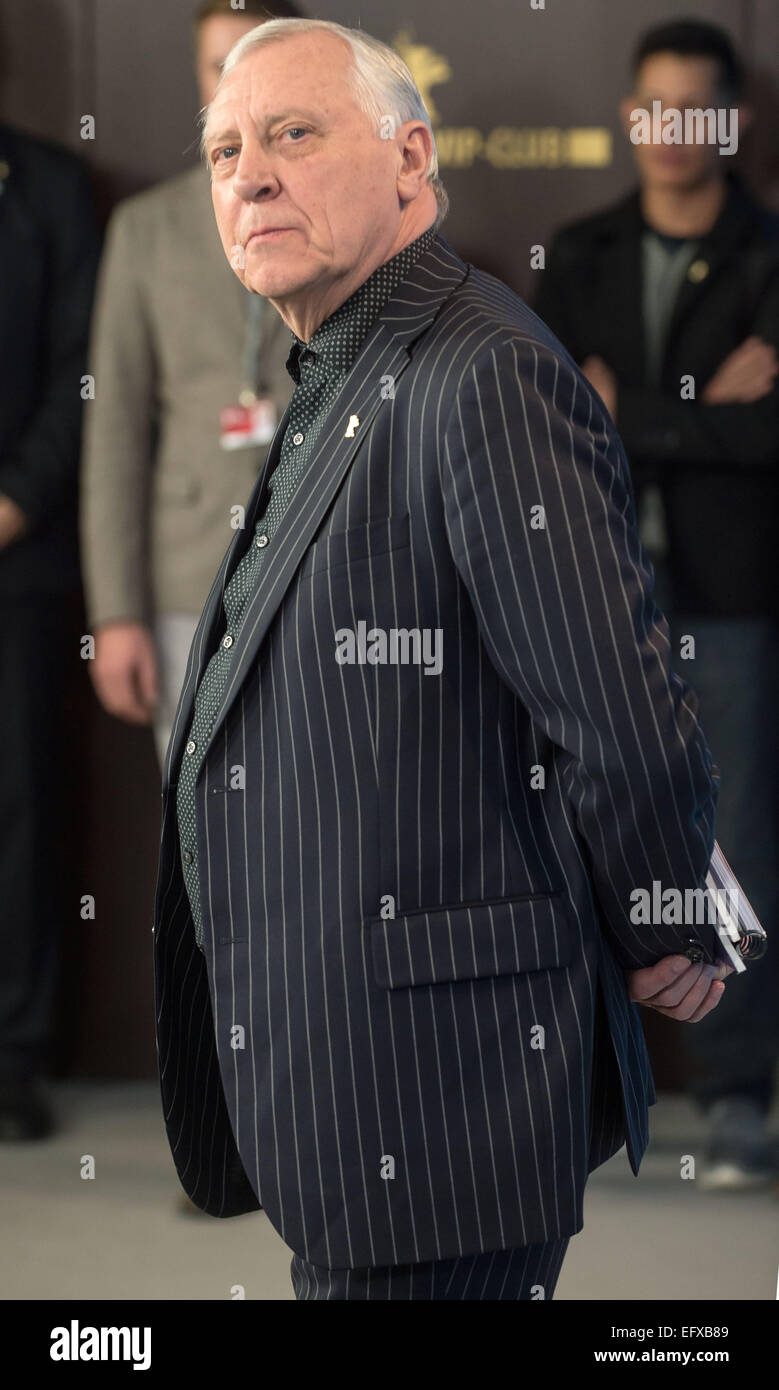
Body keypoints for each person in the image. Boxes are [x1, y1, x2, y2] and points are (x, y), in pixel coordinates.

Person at [152, 17, 732, 1301]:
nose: (248, 175)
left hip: (435, 1096)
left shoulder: (478, 375)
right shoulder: (349, 357)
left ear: (411, 159)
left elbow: (616, 707)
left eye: (293, 134)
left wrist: (658, 911)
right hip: (353, 1090)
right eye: (223, 148)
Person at [532, 18, 778, 1191]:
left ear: (726, 121)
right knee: (573, 836)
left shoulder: (769, 252)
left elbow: (768, 432)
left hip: (731, 597)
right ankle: (573, 1090)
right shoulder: (574, 255)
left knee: (740, 853)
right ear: (630, 117)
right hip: (591, 596)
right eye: (654, 107)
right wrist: (701, 420)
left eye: (697, 108)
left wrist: (625, 410)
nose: (672, 131)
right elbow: (543, 431)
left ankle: (734, 1093)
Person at [80, 0, 298, 768]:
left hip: (319, 574)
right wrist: (115, 613)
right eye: (217, 63)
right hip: (185, 580)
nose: (235, 76)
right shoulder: (144, 230)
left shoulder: (337, 210)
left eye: (256, 54)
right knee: (205, 840)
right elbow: (113, 432)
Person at [0, 126, 100, 1139]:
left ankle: (10, 1056)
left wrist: (14, 502)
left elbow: (83, 369)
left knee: (16, 811)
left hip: (13, 555)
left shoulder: (46, 189)